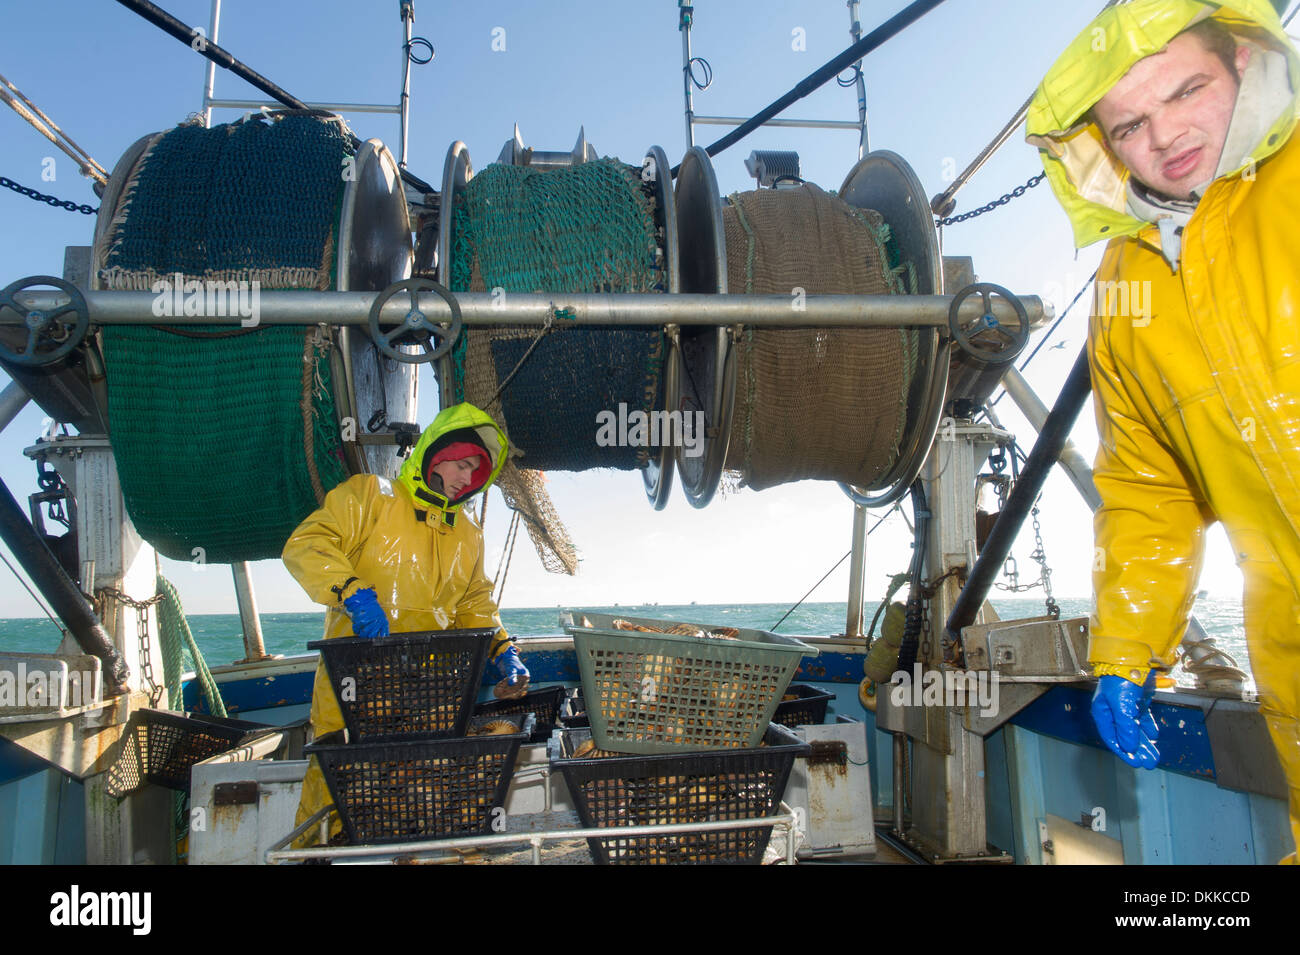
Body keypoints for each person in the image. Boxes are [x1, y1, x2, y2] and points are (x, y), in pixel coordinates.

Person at [1027, 0, 1300, 862]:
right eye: (1130, 125)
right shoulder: (1125, 287)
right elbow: (1150, 492)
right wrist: (1128, 649)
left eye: (1187, 91)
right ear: (1103, 145)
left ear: (1244, 62)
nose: (1166, 136)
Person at [282, 401, 528, 843]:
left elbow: (475, 603)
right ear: (437, 453)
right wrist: (351, 591)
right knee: (336, 780)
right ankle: (313, 851)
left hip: (431, 689)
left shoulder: (468, 532)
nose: (467, 478)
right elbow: (307, 543)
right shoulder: (371, 495)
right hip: (354, 679)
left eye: (476, 471)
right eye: (462, 464)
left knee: (418, 788)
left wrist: (503, 649)